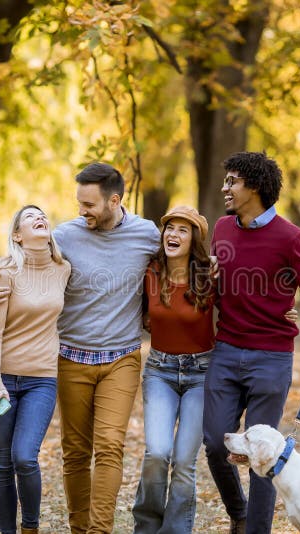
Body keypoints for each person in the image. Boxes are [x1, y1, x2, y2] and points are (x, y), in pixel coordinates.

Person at [0, 163, 160, 534]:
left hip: (121, 358)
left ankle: (99, 531)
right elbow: (20, 265)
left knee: (109, 446)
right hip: (70, 359)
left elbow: (183, 262)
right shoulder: (64, 238)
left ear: (114, 200)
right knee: (75, 453)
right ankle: (79, 529)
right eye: (78, 202)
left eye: (89, 204)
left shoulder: (147, 235)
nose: (81, 211)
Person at [204, 151, 300, 534]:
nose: (225, 188)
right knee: (216, 442)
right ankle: (240, 513)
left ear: (255, 187)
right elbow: (214, 288)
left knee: (264, 455)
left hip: (271, 358)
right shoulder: (222, 229)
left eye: (232, 181)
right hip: (227, 350)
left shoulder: (291, 237)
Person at [0, 205, 71, 534]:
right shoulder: (4, 273)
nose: (39, 217)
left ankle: (30, 527)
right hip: (1, 380)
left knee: (25, 457)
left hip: (41, 381)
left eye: (42, 214)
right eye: (29, 217)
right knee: (3, 462)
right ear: (17, 235)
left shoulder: (64, 269)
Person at [131, 206, 215, 534]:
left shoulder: (210, 276)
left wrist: (284, 314)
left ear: (193, 238)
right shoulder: (150, 271)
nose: (173, 235)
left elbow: (243, 311)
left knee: (183, 462)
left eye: (182, 229)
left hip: (201, 374)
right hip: (160, 371)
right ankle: (147, 527)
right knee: (157, 453)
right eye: (169, 228)